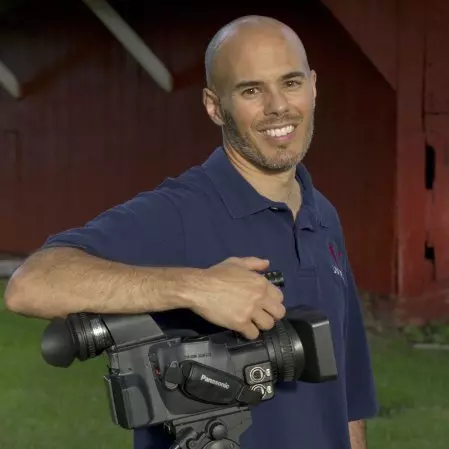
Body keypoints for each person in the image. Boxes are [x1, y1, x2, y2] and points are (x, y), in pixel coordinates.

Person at [5, 15, 378, 449]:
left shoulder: (324, 215)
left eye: (291, 82)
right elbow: (30, 286)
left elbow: (346, 400)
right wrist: (194, 288)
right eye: (251, 90)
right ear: (214, 106)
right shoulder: (181, 210)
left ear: (313, 86)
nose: (278, 106)